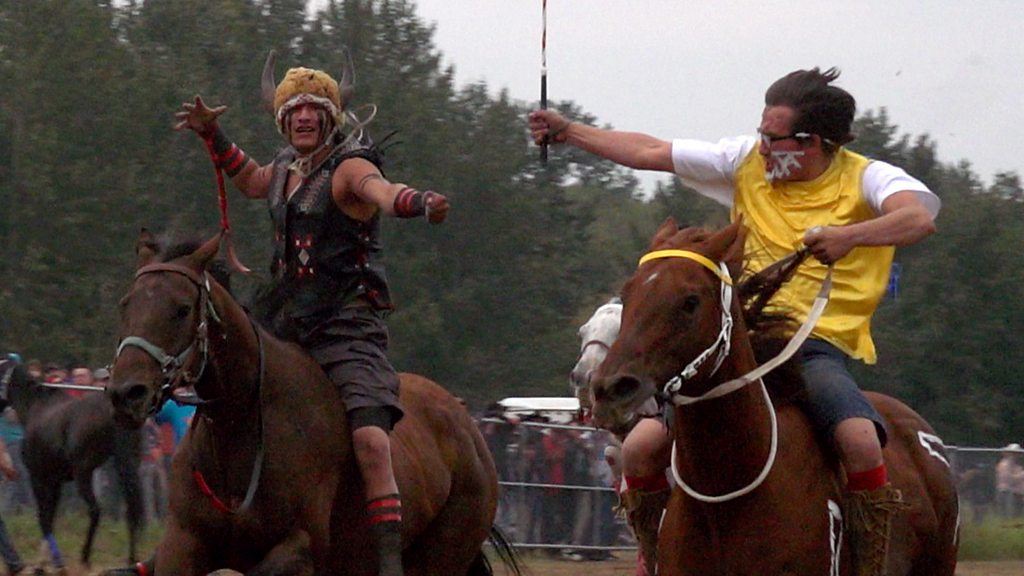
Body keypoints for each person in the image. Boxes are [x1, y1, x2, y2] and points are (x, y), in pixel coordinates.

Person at [530, 67, 939, 576]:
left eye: (773, 137)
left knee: (858, 438)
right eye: (761, 133)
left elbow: (918, 217)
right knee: (639, 449)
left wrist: (851, 236)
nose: (762, 146)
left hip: (813, 346)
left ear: (812, 142)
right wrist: (570, 131)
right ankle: (653, 559)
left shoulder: (867, 178)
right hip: (735, 342)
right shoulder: (746, 161)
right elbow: (651, 151)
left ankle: (868, 562)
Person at [175, 52, 449, 576]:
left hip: (348, 327)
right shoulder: (281, 169)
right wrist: (214, 136)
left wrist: (418, 202)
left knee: (370, 441)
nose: (303, 118)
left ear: (329, 119)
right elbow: (252, 180)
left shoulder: (350, 168)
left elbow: (383, 193)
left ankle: (389, 565)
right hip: (286, 325)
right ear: (283, 121)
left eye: (312, 111)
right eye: (294, 111)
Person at [995, 443, 1024, 518]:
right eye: (1013, 453)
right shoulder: (1004, 465)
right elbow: (1008, 479)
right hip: (1007, 493)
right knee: (1008, 515)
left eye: (1017, 453)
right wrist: (1021, 475)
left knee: (1017, 515)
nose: (1016, 455)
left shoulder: (1016, 465)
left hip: (1016, 493)